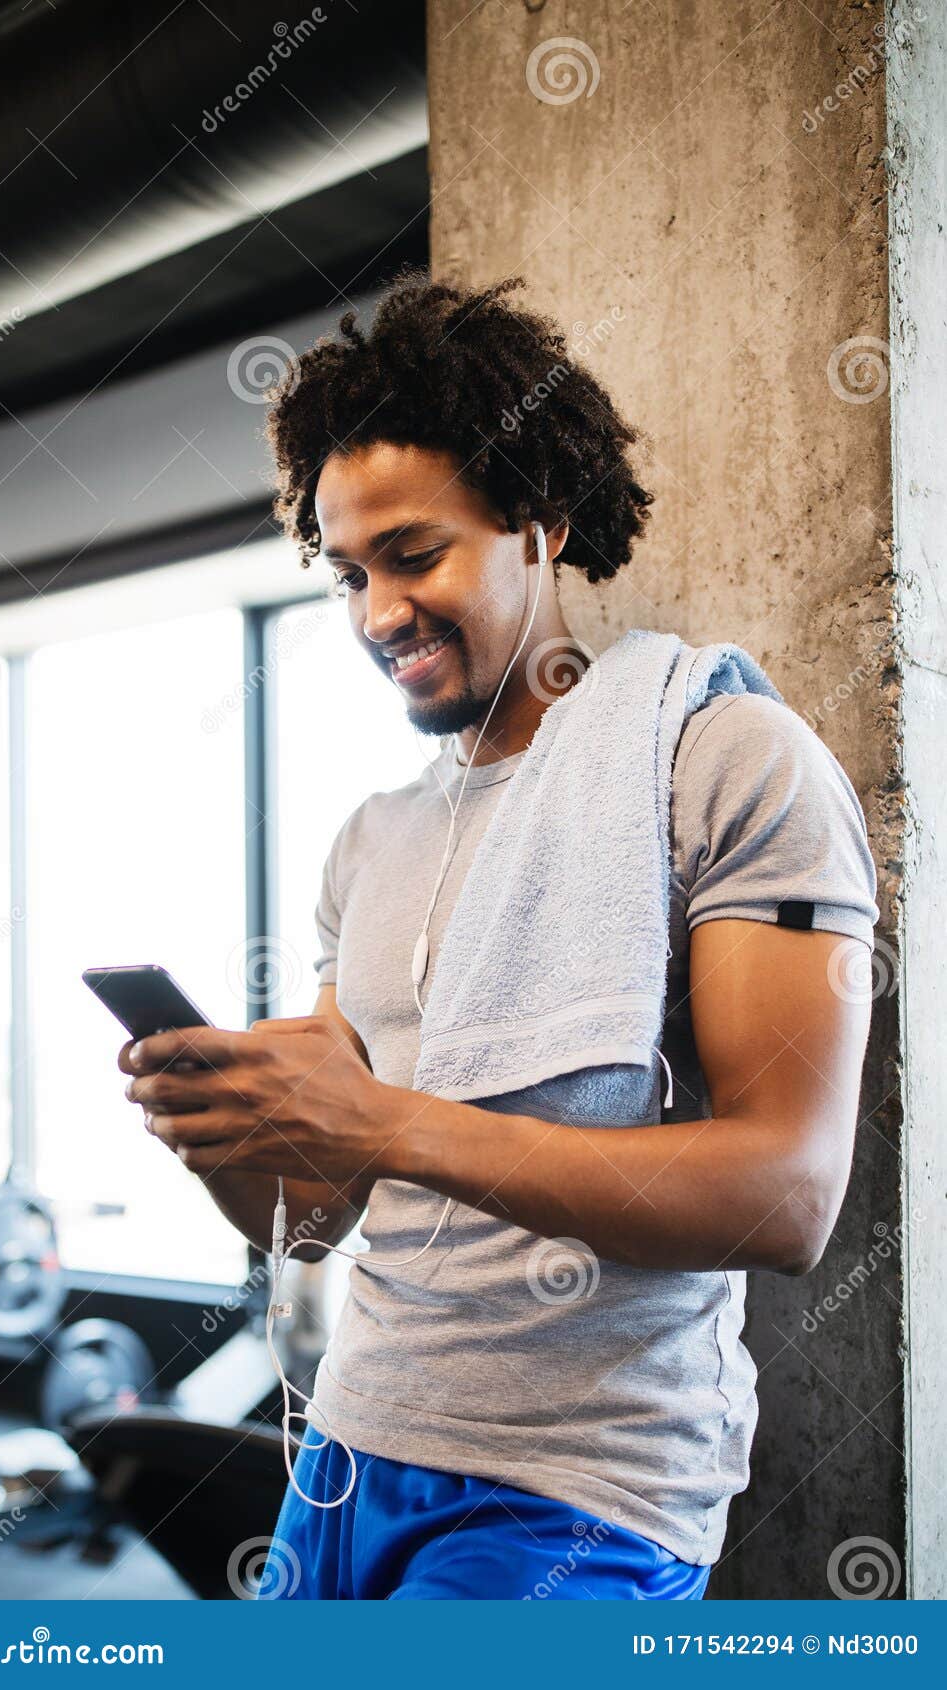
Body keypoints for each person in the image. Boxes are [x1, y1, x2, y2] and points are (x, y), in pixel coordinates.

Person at [119, 271, 879, 1600]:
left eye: (414, 556)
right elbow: (310, 1217)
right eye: (348, 573)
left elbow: (790, 1194)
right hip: (349, 1455)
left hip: (575, 1496)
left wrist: (383, 1122)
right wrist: (220, 1131)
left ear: (539, 522)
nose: (375, 615)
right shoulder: (374, 839)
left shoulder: (719, 757)